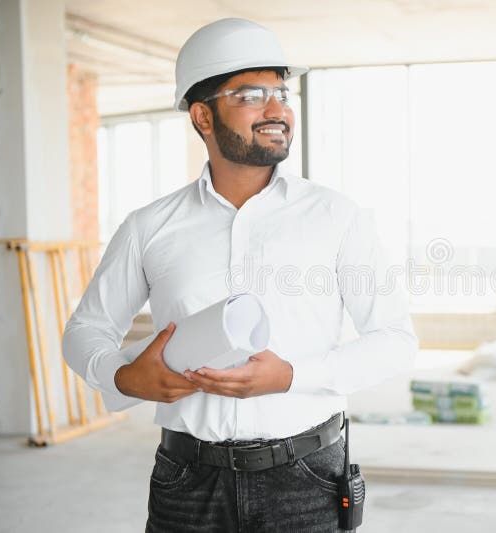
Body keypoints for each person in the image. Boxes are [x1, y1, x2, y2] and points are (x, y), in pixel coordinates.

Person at [62, 18, 418, 532]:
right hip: (186, 482)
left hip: (306, 480)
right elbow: (85, 330)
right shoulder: (150, 227)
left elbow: (395, 340)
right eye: (252, 96)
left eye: (281, 92)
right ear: (203, 116)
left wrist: (292, 376)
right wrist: (120, 375)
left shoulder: (338, 216)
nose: (278, 110)